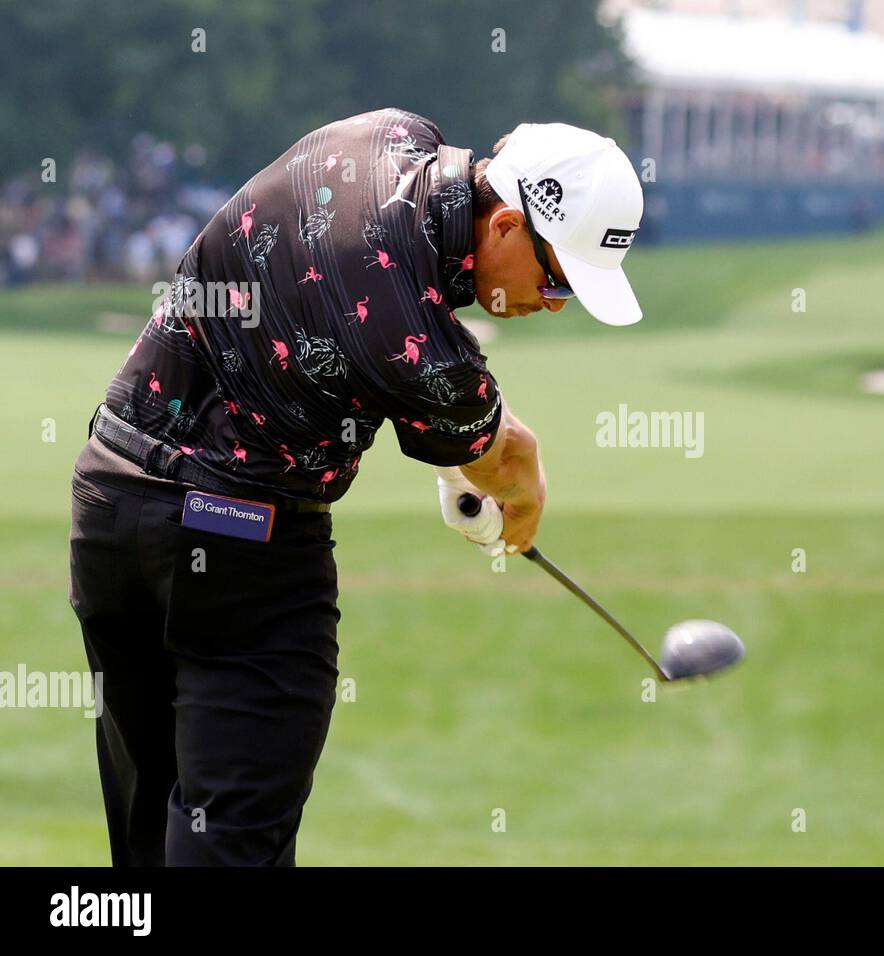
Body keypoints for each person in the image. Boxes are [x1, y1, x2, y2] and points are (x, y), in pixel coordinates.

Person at [67, 107, 645, 865]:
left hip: (109, 500)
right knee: (231, 841)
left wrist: (454, 453)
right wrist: (522, 499)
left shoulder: (394, 132)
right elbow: (505, 461)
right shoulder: (437, 361)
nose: (553, 304)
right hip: (240, 547)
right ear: (504, 227)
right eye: (559, 279)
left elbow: (370, 285)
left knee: (145, 838)